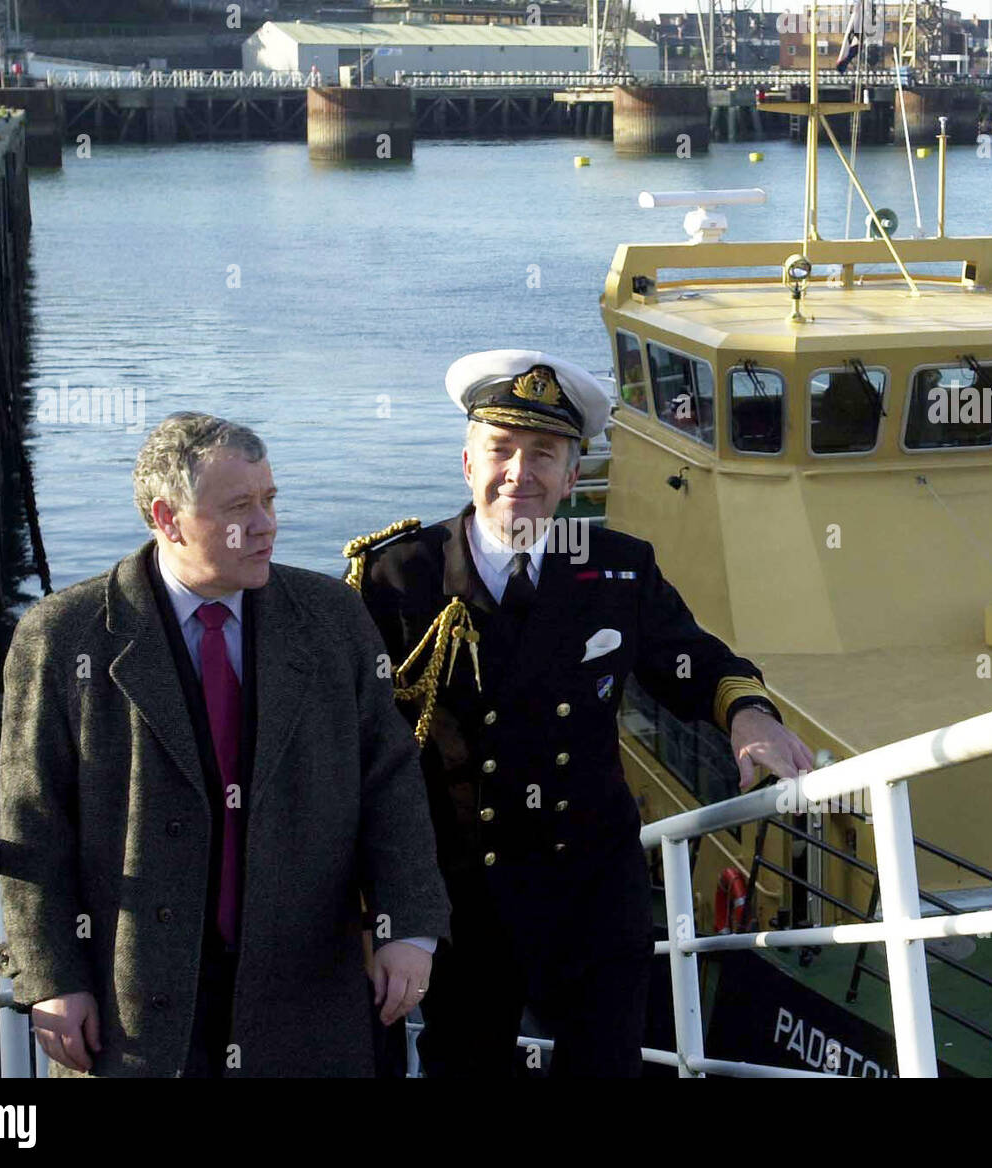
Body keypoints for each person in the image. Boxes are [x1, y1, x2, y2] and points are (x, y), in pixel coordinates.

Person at [345, 351, 813, 1077]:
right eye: (501, 450)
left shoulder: (617, 569)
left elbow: (692, 662)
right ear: (467, 463)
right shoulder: (396, 577)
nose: (519, 474)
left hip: (593, 888)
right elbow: (355, 747)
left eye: (545, 455)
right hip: (464, 891)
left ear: (572, 476)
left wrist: (749, 715)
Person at [0, 412, 450, 1078]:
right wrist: (52, 976)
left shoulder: (331, 618)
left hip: (306, 995)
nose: (266, 524)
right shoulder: (64, 638)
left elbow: (391, 779)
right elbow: (33, 819)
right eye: (240, 507)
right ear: (167, 518)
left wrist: (407, 926)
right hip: (134, 1006)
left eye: (270, 500)